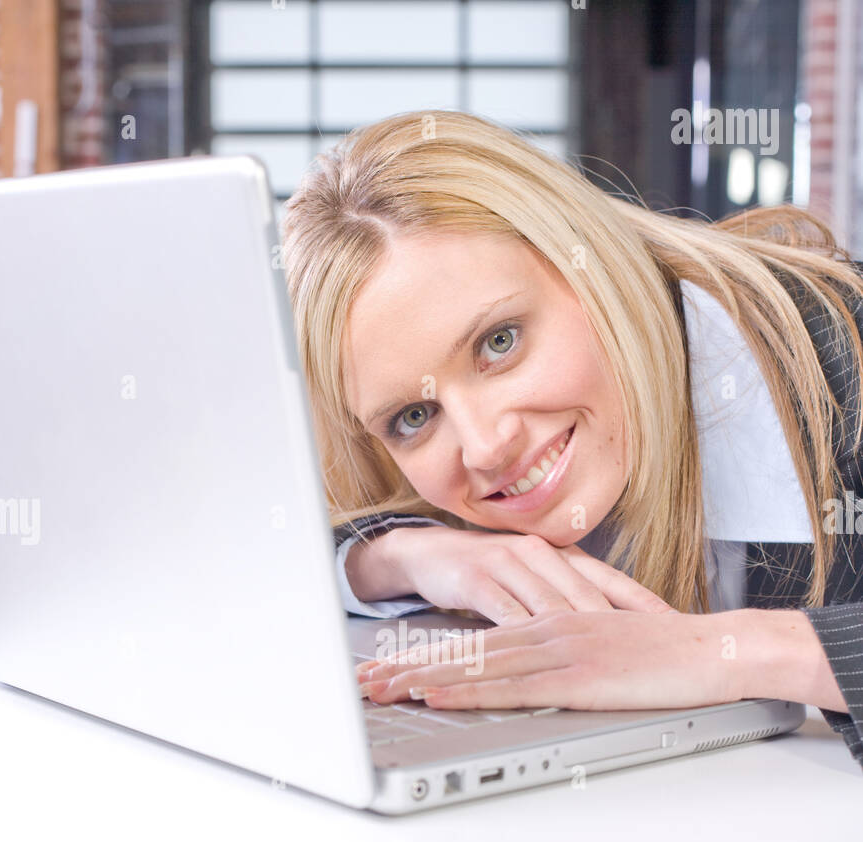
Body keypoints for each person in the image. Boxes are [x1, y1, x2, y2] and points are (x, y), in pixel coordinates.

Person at [279, 109, 863, 770]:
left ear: (589, 267)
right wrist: (407, 558)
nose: (486, 448)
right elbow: (254, 548)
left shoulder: (845, 355)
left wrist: (723, 652)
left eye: (498, 343)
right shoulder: (452, 488)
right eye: (413, 417)